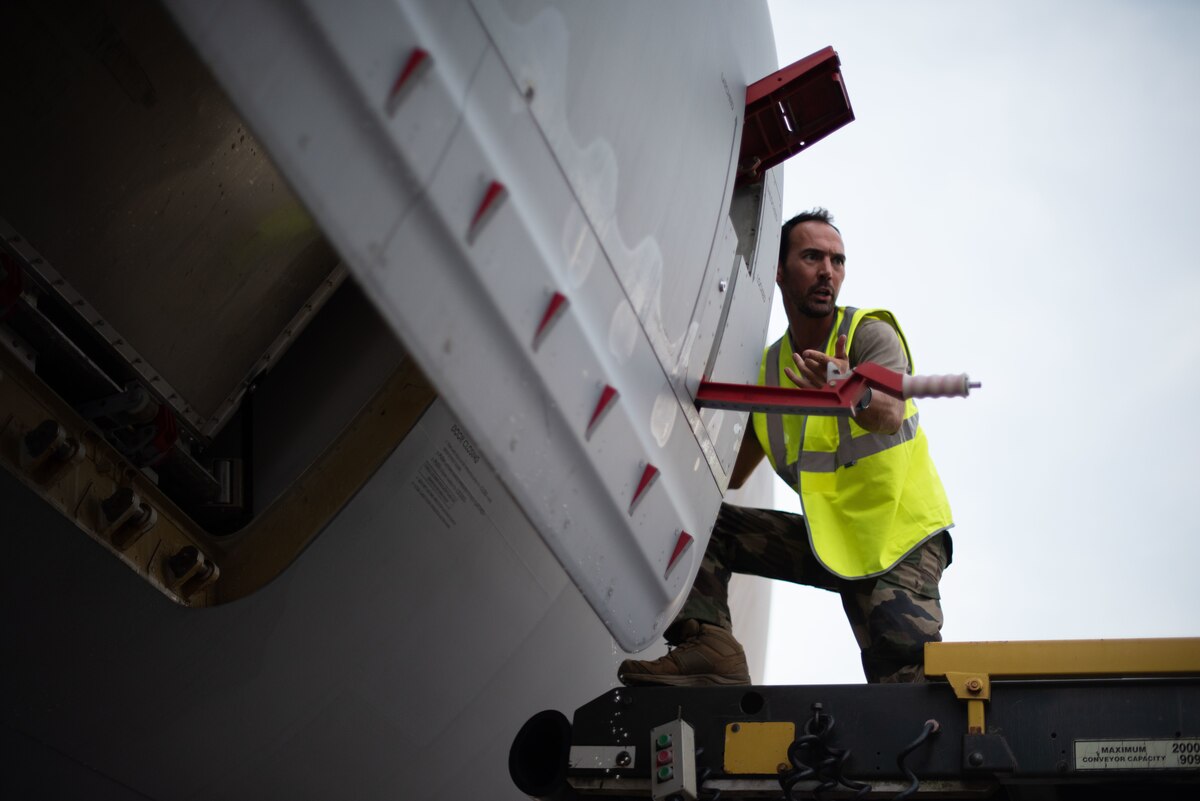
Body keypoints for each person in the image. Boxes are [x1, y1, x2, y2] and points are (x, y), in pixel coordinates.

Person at [618, 208, 954, 686]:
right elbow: (730, 474)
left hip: (900, 542)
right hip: (832, 541)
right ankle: (711, 649)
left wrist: (845, 386)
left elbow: (889, 412)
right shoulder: (770, 370)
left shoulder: (867, 334)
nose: (827, 272)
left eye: (837, 261)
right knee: (700, 522)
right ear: (778, 270)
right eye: (812, 257)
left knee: (902, 681)